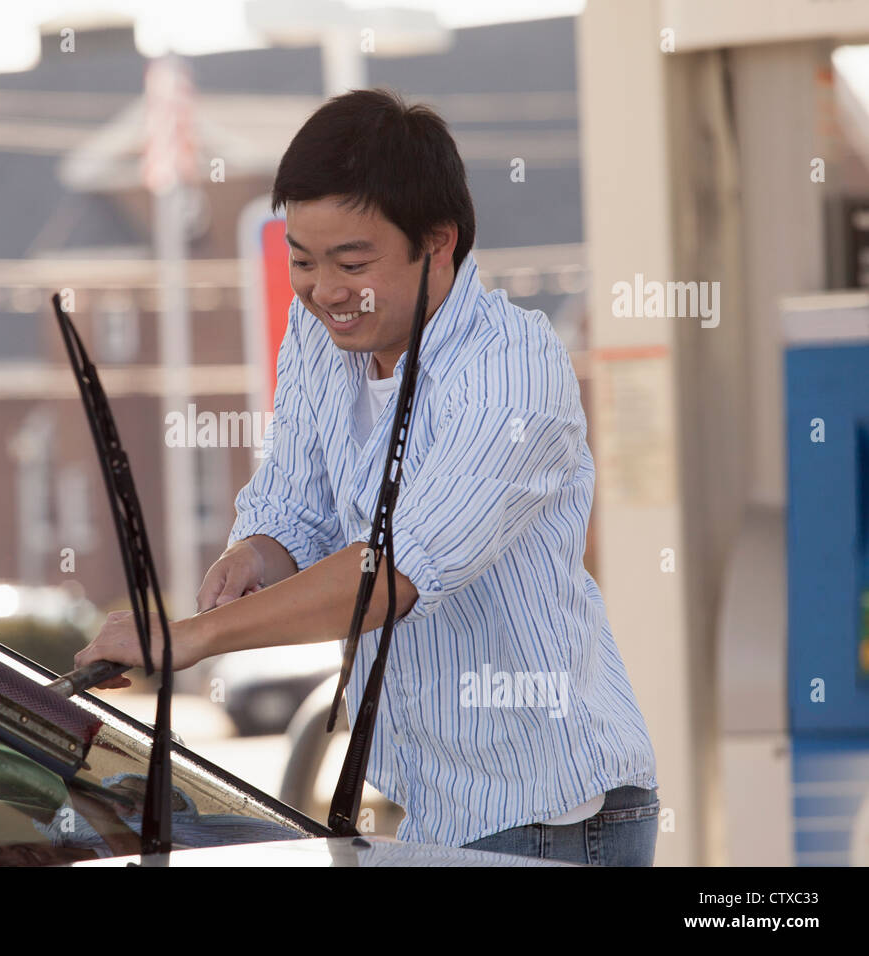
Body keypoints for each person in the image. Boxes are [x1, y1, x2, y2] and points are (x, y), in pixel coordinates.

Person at [74, 88, 659, 866]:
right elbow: (294, 508)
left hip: (557, 814)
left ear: (439, 243)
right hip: (438, 805)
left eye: (353, 263)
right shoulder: (322, 339)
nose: (323, 292)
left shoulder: (512, 371)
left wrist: (189, 638)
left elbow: (388, 574)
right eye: (303, 262)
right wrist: (254, 553)